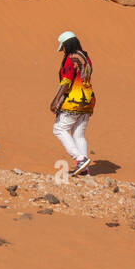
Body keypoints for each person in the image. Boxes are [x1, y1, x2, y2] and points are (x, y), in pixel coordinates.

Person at [49, 31, 96, 176]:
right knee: (78, 134)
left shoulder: (71, 59)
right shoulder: (86, 58)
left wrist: (56, 99)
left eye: (63, 46)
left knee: (59, 129)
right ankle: (84, 170)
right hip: (88, 100)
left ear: (67, 44)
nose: (63, 50)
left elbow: (67, 81)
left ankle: (80, 159)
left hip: (74, 100)